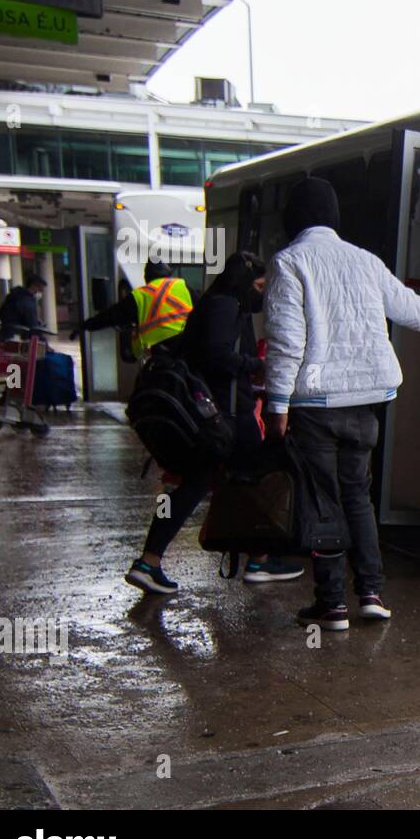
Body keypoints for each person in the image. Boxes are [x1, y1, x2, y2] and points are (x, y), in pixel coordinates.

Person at [263, 177, 420, 631]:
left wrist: (276, 407)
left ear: (292, 217)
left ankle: (332, 603)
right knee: (358, 496)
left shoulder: (288, 262)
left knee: (324, 502)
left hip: (316, 405)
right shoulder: (364, 260)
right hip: (368, 401)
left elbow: (285, 342)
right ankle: (372, 594)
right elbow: (407, 306)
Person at [122, 251, 304, 594]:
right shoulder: (224, 305)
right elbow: (217, 355)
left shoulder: (218, 303)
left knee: (193, 487)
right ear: (243, 280)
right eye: (260, 285)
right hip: (224, 418)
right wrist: (256, 364)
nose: (262, 294)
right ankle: (257, 561)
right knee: (256, 478)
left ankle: (151, 561)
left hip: (217, 415)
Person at [72, 261, 192, 358]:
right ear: (168, 274)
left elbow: (109, 317)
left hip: (157, 358)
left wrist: (85, 325)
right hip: (186, 351)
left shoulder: (140, 296)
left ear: (147, 278)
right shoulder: (183, 286)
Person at [0, 275, 47, 341]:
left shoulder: (13, 295)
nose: (41, 292)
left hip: (5, 334)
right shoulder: (27, 301)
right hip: (19, 338)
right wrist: (44, 343)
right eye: (40, 289)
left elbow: (0, 312)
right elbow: (32, 325)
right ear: (34, 286)